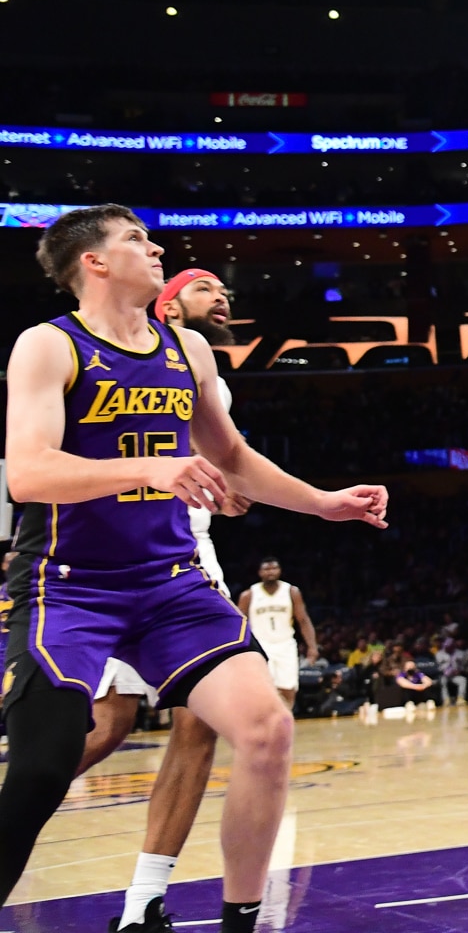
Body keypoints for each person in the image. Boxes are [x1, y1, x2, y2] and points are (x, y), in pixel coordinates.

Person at [0, 205, 388, 932]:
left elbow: (234, 458)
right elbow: (28, 473)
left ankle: (238, 922)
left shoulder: (189, 353)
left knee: (268, 731)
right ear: (94, 262)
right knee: (45, 767)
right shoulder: (49, 347)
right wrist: (156, 464)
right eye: (137, 241)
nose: (157, 249)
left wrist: (323, 503)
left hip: (168, 582)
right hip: (69, 583)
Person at [74, 268, 241, 933]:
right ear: (170, 304)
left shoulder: (199, 365)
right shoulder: (124, 354)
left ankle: (144, 903)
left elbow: (223, 455)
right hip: (128, 559)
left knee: (196, 723)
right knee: (105, 728)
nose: (222, 297)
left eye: (224, 291)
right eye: (207, 289)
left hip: (187, 554)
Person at [237, 558, 318, 711]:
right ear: (260, 572)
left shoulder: (291, 592)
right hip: (260, 646)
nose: (271, 572)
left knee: (288, 688)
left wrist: (312, 647)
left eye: (274, 568)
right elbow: (238, 625)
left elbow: (303, 620)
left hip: (285, 644)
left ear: (280, 570)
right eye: (267, 569)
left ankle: (285, 723)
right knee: (261, 689)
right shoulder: (248, 595)